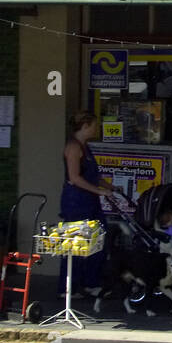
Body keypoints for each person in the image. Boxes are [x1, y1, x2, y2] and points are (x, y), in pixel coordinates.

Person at [61, 111, 114, 295]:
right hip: (76, 201)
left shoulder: (86, 147)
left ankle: (92, 282)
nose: (96, 128)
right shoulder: (74, 148)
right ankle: (68, 287)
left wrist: (110, 187)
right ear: (85, 126)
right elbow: (75, 177)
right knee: (76, 242)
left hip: (90, 201)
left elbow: (93, 174)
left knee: (98, 239)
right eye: (94, 125)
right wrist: (99, 191)